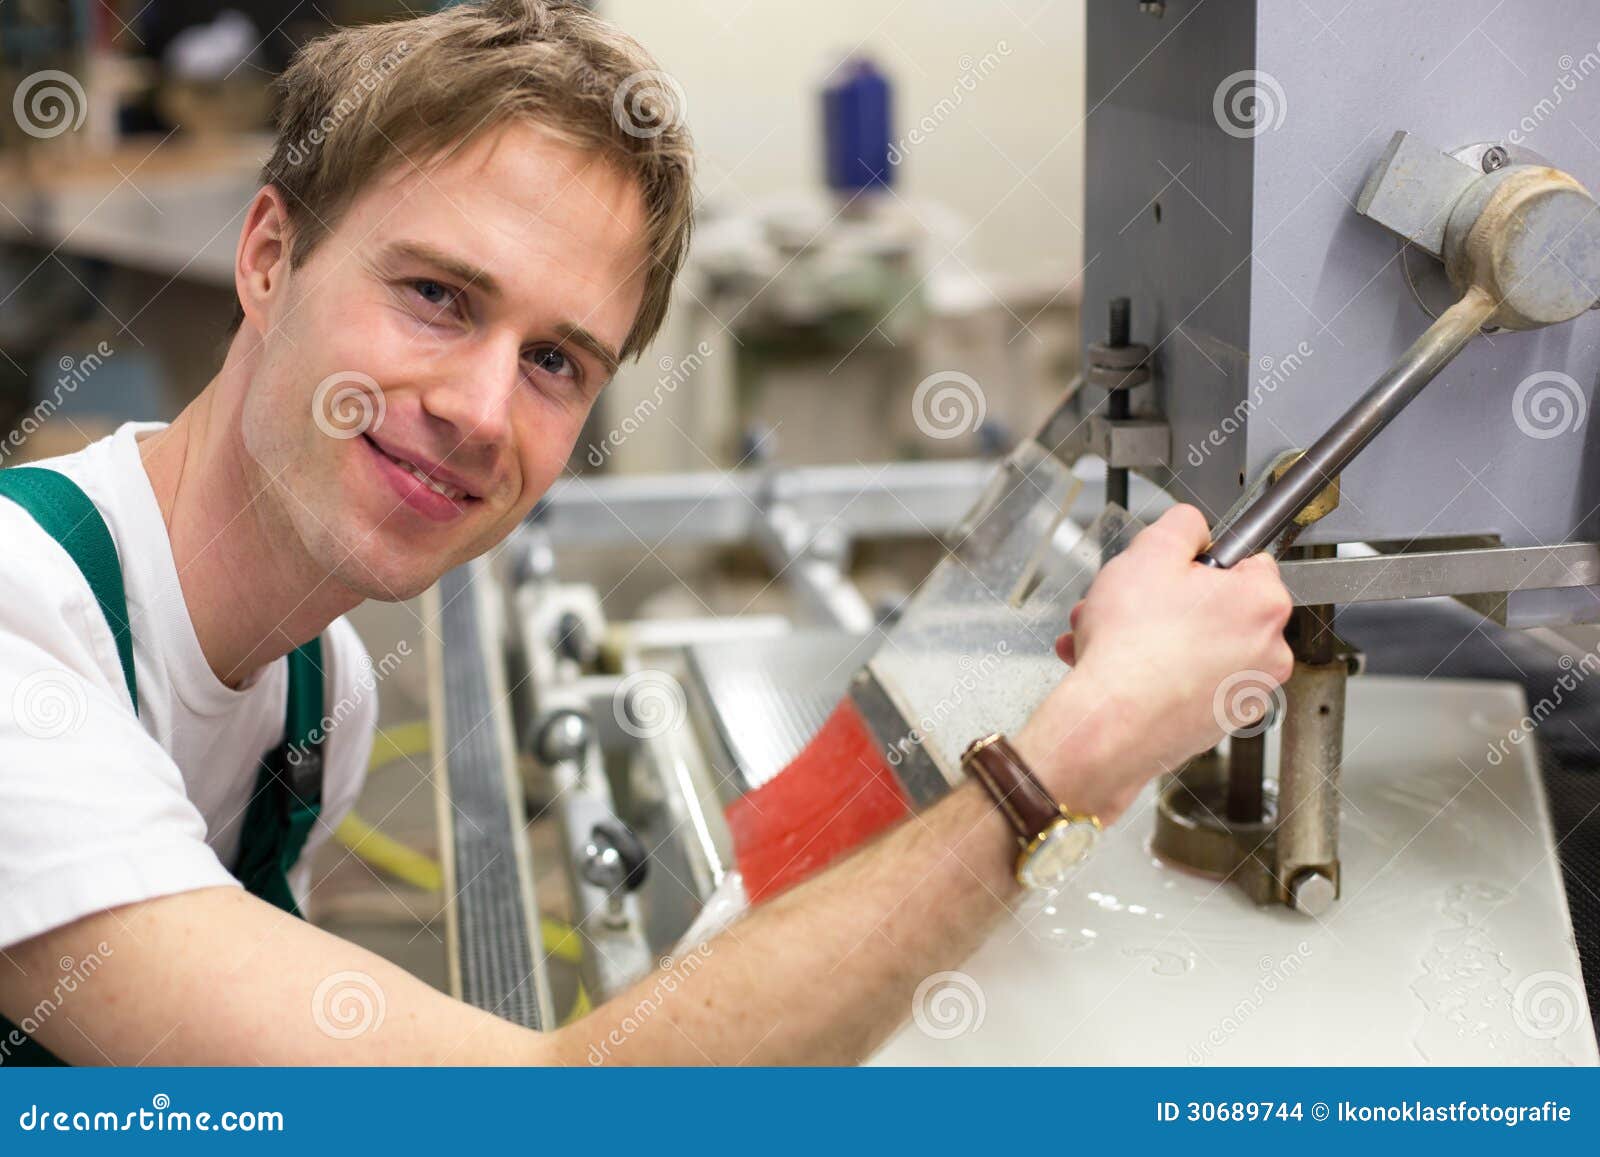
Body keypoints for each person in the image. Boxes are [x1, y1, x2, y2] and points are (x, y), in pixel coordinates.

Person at [0, 0, 1293, 1065]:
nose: (478, 409)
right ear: (271, 256)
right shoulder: (22, 626)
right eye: (436, 295)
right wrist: (1075, 754)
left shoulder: (313, 688)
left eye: (558, 360)